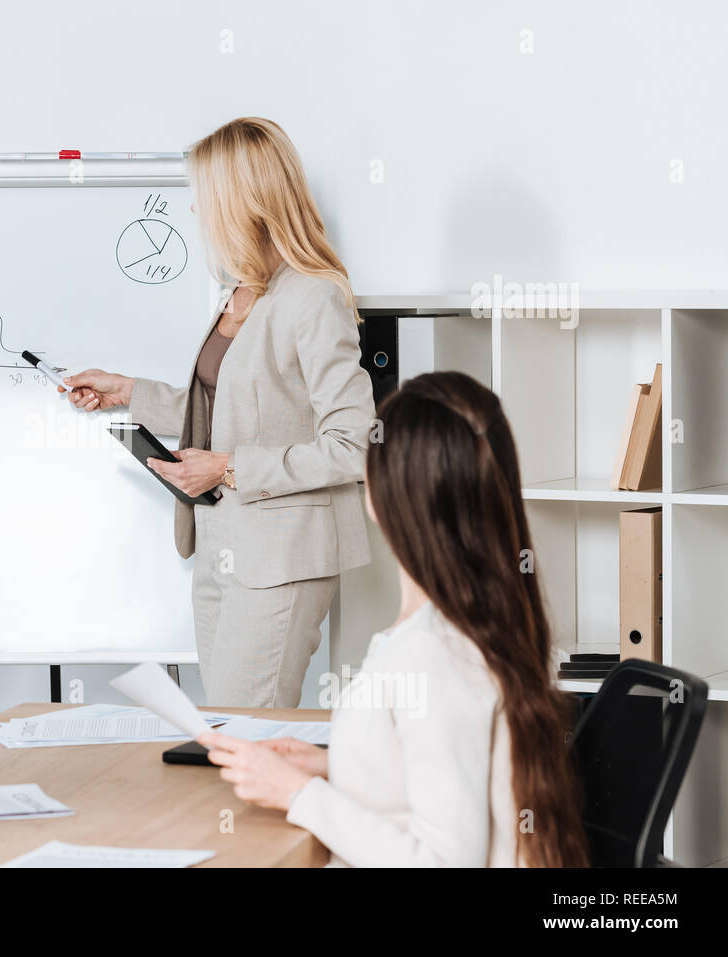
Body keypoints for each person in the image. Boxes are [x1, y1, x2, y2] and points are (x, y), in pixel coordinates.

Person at [199, 372, 589, 866]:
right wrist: (334, 766)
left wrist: (299, 796)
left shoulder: (433, 654)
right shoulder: (468, 628)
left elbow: (448, 861)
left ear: (381, 495)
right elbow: (434, 776)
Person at [64, 117, 375, 707]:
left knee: (241, 731)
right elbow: (230, 409)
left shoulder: (312, 295)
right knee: (224, 728)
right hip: (219, 541)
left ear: (243, 200)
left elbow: (353, 444)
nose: (195, 211)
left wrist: (228, 468)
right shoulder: (239, 290)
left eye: (204, 196)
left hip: (280, 556)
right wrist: (126, 390)